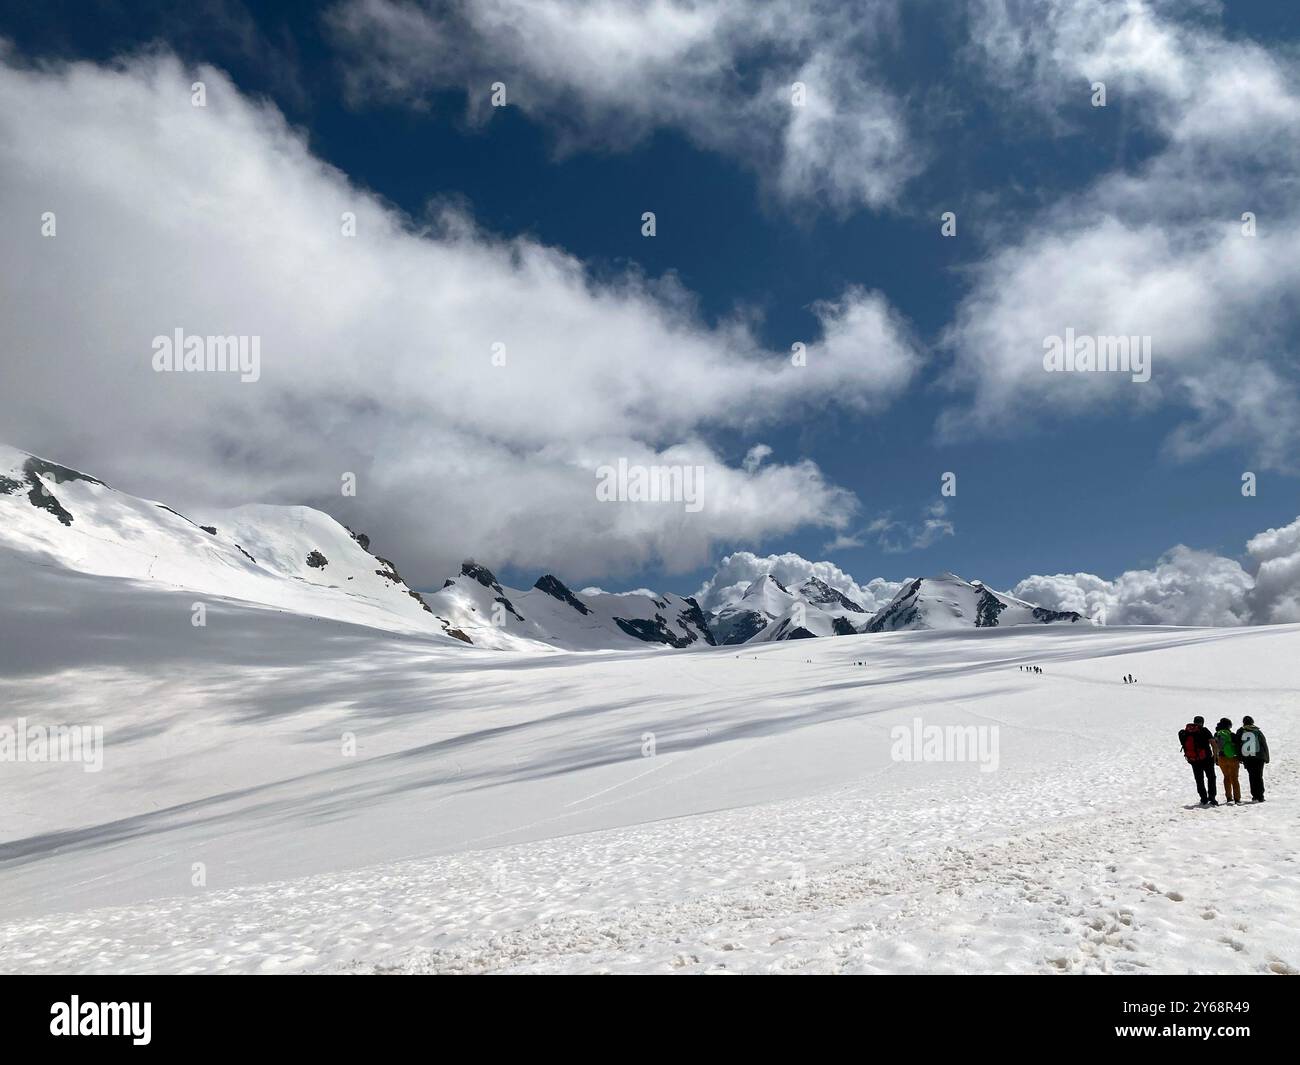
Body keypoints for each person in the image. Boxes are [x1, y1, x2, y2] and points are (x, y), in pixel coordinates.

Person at [1179, 716, 1219, 806]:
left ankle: (1203, 798)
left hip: (1193, 760)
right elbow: (1213, 743)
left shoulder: (1186, 732)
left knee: (1199, 779)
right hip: (1207, 759)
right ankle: (1212, 797)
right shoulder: (1204, 730)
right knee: (1211, 777)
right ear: (1202, 722)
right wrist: (1215, 755)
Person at [1236, 716, 1270, 803]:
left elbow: (1237, 745)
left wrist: (1239, 757)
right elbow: (1264, 743)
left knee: (1252, 776)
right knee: (1259, 776)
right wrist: (1267, 757)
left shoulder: (1240, 731)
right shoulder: (1257, 731)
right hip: (1259, 757)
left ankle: (1254, 796)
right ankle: (1260, 796)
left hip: (1247, 757)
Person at [1213, 718, 1242, 805]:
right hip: (1233, 758)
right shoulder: (1231, 734)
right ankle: (1237, 798)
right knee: (1234, 778)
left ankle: (1229, 797)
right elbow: (1238, 746)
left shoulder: (1216, 734)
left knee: (1226, 777)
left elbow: (1215, 747)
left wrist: (1215, 758)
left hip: (1221, 758)